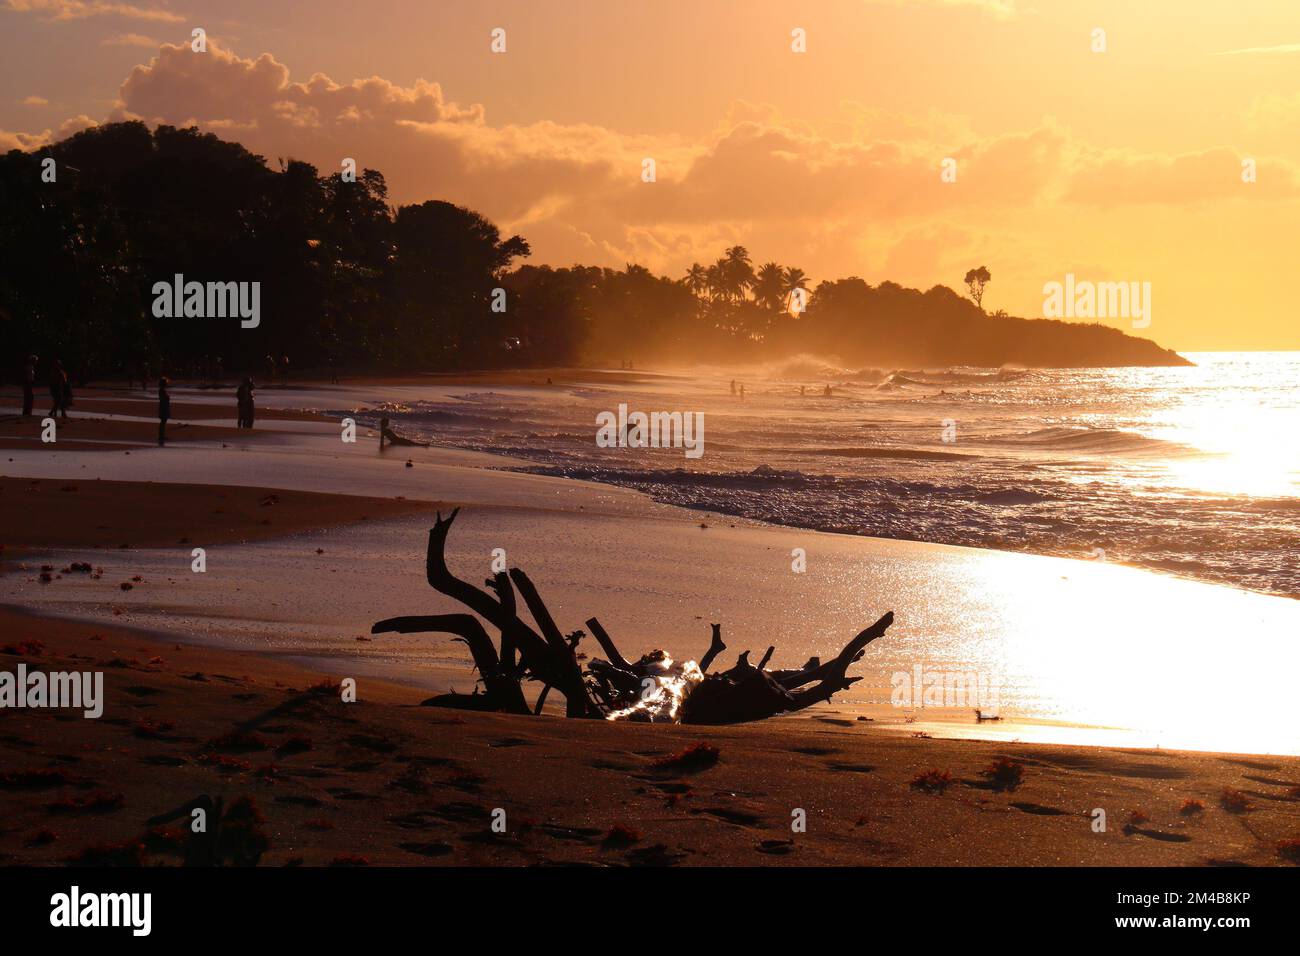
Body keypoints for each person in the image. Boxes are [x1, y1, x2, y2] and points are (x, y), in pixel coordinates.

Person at [157, 377, 171, 446]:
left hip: (164, 407)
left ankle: (161, 435)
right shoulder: (162, 390)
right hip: (163, 408)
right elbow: (163, 399)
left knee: (163, 422)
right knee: (163, 422)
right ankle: (161, 436)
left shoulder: (162, 390)